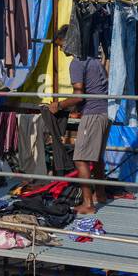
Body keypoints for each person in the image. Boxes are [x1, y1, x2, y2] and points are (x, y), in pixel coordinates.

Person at [49, 25, 111, 213]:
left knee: (81, 159)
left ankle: (87, 204)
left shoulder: (77, 62)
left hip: (93, 113)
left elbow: (78, 96)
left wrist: (58, 105)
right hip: (104, 112)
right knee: (97, 157)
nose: (60, 49)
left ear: (69, 41)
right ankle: (99, 194)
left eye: (61, 45)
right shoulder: (93, 60)